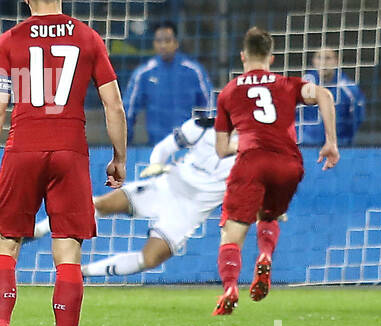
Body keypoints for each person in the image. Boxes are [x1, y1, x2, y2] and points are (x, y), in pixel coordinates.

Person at [0, 0, 127, 326]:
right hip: (70, 151)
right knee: (67, 252)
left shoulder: (9, 42)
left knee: (6, 246)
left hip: (24, 148)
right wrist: (119, 157)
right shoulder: (88, 37)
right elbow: (113, 104)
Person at [212, 27, 338, 316]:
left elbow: (221, 149)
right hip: (288, 163)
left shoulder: (230, 92)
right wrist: (330, 143)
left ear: (243, 56)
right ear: (271, 58)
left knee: (231, 233)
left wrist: (245, 140)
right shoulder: (286, 84)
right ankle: (266, 254)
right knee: (268, 214)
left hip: (252, 161)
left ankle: (230, 287)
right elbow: (325, 97)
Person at [32, 107, 237, 278]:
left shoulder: (256, 151)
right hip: (167, 188)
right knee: (101, 205)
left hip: (189, 212)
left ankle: (82, 273)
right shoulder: (202, 127)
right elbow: (164, 149)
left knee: (150, 259)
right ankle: (37, 231)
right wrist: (157, 164)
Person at [124, 21, 213, 145]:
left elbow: (209, 105)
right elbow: (128, 109)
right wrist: (125, 140)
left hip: (190, 146)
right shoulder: (143, 74)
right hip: (155, 145)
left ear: (176, 43)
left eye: (167, 40)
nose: (163, 45)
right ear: (154, 44)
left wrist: (208, 139)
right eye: (159, 41)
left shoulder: (194, 71)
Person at [296, 47, 366, 146]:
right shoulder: (302, 85)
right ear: (314, 61)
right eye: (319, 58)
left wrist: (344, 140)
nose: (323, 62)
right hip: (304, 145)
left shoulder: (349, 89)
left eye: (328, 58)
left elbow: (357, 118)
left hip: (338, 146)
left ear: (336, 61)